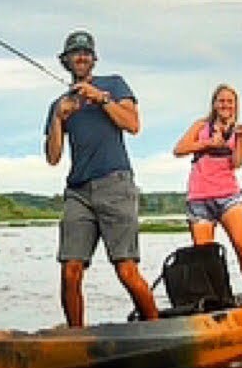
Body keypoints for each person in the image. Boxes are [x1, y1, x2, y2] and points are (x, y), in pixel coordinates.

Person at [44, 30, 159, 327]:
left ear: (93, 59)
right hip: (78, 192)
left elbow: (133, 124)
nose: (81, 57)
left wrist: (102, 99)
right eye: (75, 53)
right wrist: (58, 118)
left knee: (126, 270)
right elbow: (53, 157)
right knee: (70, 270)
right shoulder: (59, 104)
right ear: (66, 61)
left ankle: (156, 328)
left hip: (115, 184)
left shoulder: (114, 84)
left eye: (86, 53)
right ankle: (75, 338)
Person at [172, 84, 242, 304]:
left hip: (228, 196)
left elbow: (237, 163)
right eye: (221, 101)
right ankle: (213, 301)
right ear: (214, 104)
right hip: (199, 197)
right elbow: (179, 150)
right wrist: (207, 143)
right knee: (203, 257)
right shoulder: (201, 126)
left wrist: (239, 139)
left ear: (235, 106)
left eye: (230, 102)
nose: (225, 105)